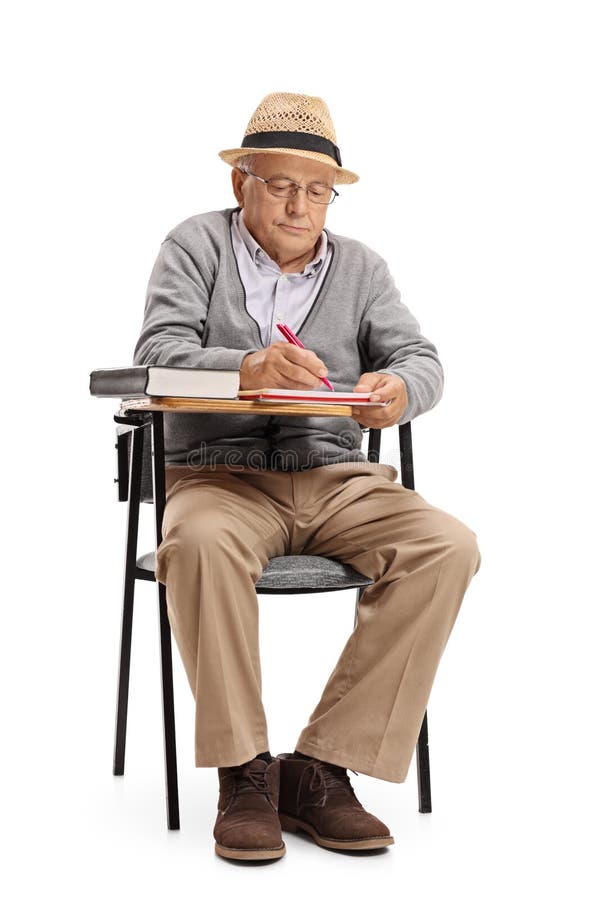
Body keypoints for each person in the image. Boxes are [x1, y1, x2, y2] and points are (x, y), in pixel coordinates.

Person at [133, 92, 481, 861]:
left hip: (334, 477)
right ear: (242, 185)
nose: (299, 203)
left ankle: (321, 768)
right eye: (282, 184)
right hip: (218, 475)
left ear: (332, 196)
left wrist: (400, 391)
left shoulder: (361, 267)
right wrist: (244, 365)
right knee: (195, 546)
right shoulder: (194, 246)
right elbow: (158, 354)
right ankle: (245, 772)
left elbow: (418, 358)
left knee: (447, 546)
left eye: (316, 189)